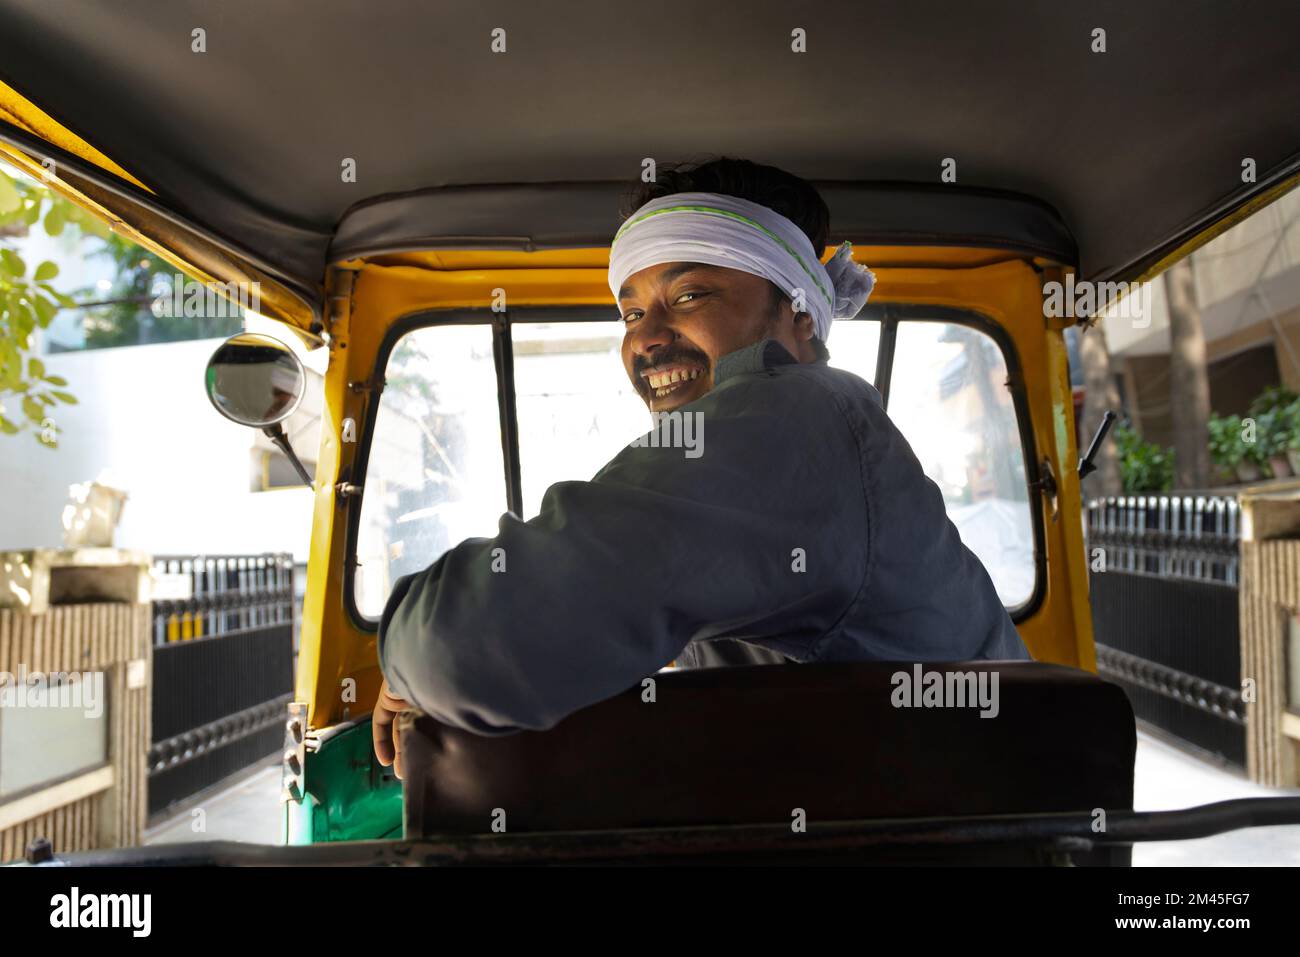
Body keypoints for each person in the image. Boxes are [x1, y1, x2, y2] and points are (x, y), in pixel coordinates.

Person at [373, 157, 1030, 774]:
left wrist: (404, 657)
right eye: (631, 311)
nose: (644, 338)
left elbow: (466, 645)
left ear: (799, 318)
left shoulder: (793, 419)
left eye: (689, 295)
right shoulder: (798, 431)